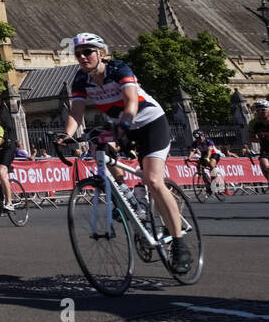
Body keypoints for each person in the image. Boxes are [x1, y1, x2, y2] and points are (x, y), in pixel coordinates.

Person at [56, 32, 191, 273]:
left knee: (153, 180)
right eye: (78, 54)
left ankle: (179, 243)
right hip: (119, 123)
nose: (83, 57)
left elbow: (131, 103)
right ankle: (125, 192)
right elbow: (76, 113)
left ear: (101, 53)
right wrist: (67, 135)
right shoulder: (80, 80)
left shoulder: (119, 69)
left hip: (149, 122)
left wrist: (123, 128)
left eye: (87, 52)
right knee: (97, 143)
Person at [187, 131, 223, 195]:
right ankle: (207, 183)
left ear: (203, 136)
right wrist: (189, 157)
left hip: (214, 154)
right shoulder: (195, 143)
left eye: (200, 137)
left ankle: (214, 183)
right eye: (197, 138)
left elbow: (210, 150)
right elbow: (192, 151)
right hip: (204, 155)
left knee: (211, 165)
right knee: (199, 168)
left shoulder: (208, 141)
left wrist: (208, 158)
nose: (198, 139)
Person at [251, 100, 269, 182]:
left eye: (263, 110)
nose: (260, 112)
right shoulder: (254, 123)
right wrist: (260, 139)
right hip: (265, 148)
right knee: (264, 165)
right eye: (257, 110)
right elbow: (250, 137)